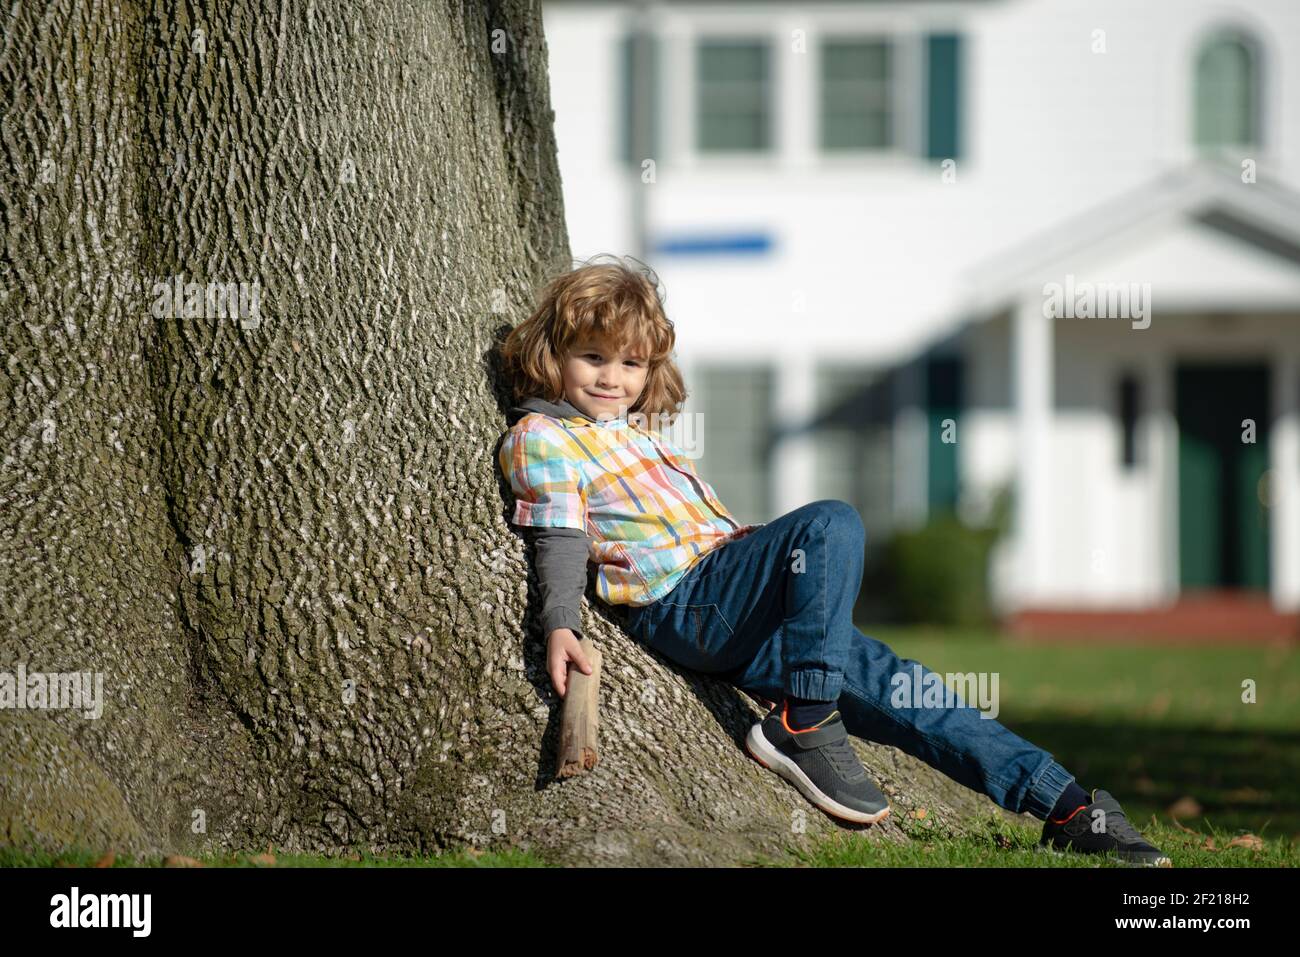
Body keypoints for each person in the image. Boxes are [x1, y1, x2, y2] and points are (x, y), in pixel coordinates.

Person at [496, 255, 1171, 867]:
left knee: (916, 696)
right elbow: (558, 537)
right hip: (687, 603)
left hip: (748, 612)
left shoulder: (634, 435)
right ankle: (806, 725)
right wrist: (563, 624)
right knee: (831, 523)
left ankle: (1072, 807)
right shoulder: (544, 437)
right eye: (593, 358)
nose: (613, 378)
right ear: (554, 355)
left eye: (631, 364)